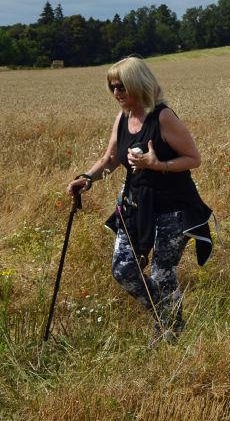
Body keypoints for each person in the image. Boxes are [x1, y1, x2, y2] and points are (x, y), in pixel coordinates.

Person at [66, 56, 214, 344]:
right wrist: (88, 178)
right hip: (135, 206)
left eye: (121, 86)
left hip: (173, 209)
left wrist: (157, 164)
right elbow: (110, 159)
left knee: (161, 274)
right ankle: (166, 317)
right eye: (112, 87)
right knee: (123, 269)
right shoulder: (122, 118)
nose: (116, 92)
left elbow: (193, 159)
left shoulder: (163, 117)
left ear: (138, 83)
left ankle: (170, 335)